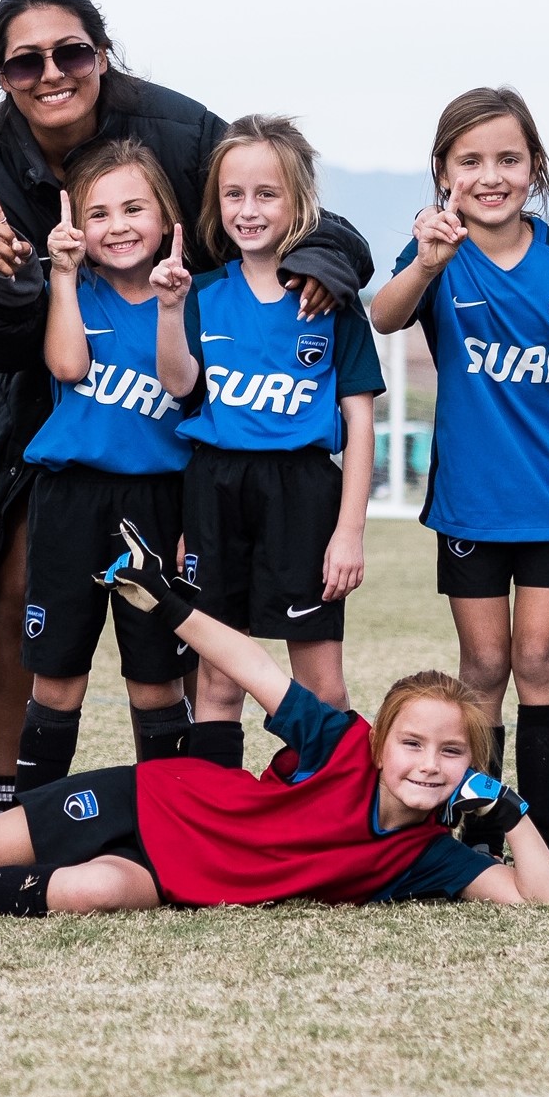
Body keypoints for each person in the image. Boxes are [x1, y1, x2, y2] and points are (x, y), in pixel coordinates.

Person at [0, 0, 374, 816]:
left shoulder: (176, 130)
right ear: (0, 73)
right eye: (25, 61)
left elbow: (274, 196)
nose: (51, 72)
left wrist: (327, 262)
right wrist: (18, 280)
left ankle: (176, 815)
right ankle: (9, 809)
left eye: (70, 52)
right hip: (35, 385)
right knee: (20, 595)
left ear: (101, 54)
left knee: (166, 646)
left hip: (171, 411)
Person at [0, 522, 549, 915]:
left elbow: (539, 904)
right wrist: (171, 608)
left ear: (469, 769)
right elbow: (256, 667)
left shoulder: (430, 858)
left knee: (92, 892)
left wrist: (512, 815)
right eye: (411, 741)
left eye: (451, 753)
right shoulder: (340, 744)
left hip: (176, 880)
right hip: (157, 803)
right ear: (379, 745)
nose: (426, 760)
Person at [368, 89, 549, 858]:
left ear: (533, 167)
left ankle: (537, 829)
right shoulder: (435, 252)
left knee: (537, 659)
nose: (489, 175)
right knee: (483, 665)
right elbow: (383, 315)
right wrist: (429, 260)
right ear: (443, 171)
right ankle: (475, 831)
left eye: (507, 158)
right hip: (470, 498)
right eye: (469, 161)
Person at [156, 117, 384, 761]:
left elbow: (359, 422)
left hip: (303, 494)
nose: (248, 210)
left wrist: (349, 530)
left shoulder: (331, 300)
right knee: (219, 679)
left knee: (323, 685)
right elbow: (179, 385)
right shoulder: (200, 293)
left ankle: (333, 823)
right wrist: (169, 312)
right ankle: (216, 831)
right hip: (215, 488)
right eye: (234, 194)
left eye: (266, 194)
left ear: (298, 202)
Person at [7, 140, 193, 795]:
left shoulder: (189, 299)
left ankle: (171, 826)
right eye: (99, 212)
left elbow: (181, 388)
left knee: (155, 678)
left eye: (133, 208)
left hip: (156, 499)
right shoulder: (75, 289)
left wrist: (171, 307)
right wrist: (60, 275)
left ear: (165, 216)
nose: (116, 226)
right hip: (70, 497)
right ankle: (28, 824)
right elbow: (66, 367)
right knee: (57, 675)